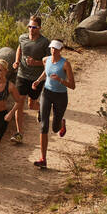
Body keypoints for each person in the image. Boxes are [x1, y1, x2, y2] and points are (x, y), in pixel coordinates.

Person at [29, 39, 75, 168]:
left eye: (56, 48)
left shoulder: (65, 64)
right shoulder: (46, 60)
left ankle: (61, 123)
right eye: (51, 48)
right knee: (44, 126)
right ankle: (43, 158)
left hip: (60, 96)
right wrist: (38, 81)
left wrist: (60, 80)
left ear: (61, 49)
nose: (53, 50)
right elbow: (46, 72)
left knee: (54, 128)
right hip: (47, 93)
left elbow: (72, 85)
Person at [12, 14, 50, 144]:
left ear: (39, 28)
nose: (31, 29)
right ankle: (19, 133)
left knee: (31, 104)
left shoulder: (45, 42)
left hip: (36, 78)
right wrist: (17, 61)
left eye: (34, 27)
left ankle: (41, 109)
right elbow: (19, 48)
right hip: (22, 75)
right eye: (29, 26)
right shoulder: (22, 38)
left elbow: (48, 61)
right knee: (19, 103)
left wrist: (36, 63)